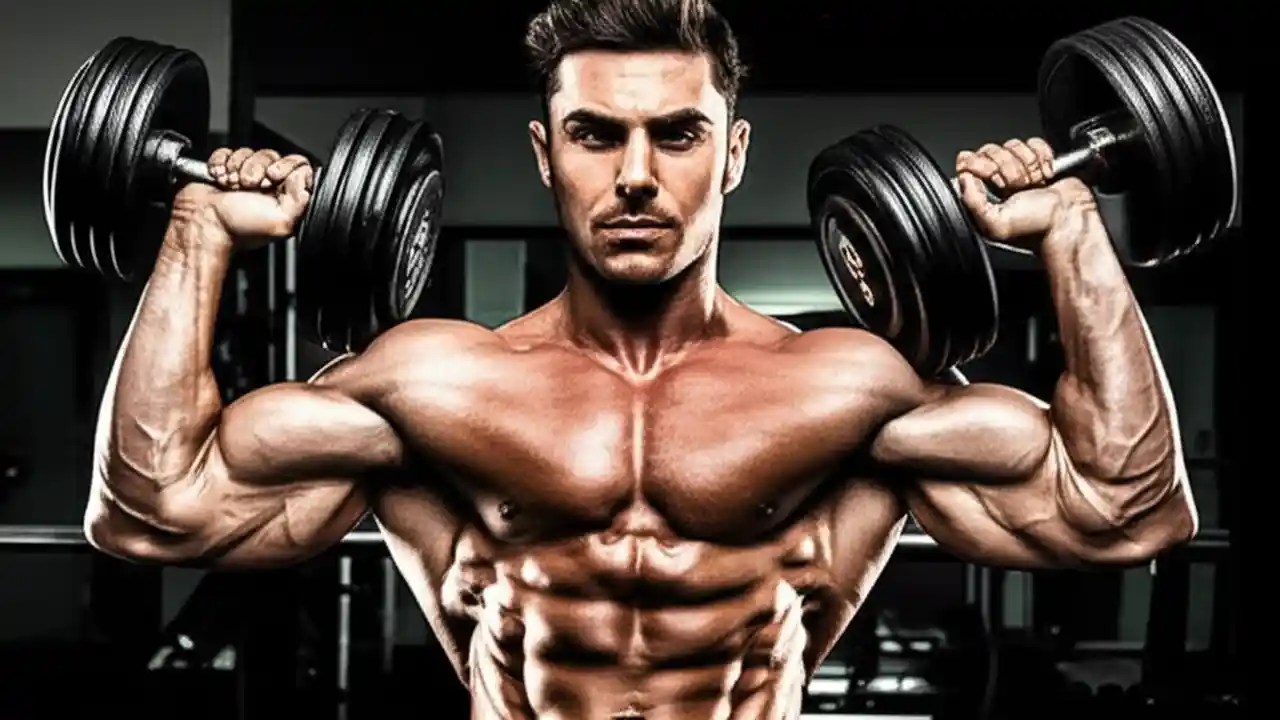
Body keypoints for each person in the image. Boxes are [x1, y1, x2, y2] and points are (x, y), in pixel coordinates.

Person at [83, 0, 1198, 717]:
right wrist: (198, 229)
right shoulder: (428, 382)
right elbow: (152, 509)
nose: (633, 175)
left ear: (732, 153)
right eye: (593, 134)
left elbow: (1122, 509)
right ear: (543, 152)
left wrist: (1069, 233)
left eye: (676, 133)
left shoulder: (848, 388)